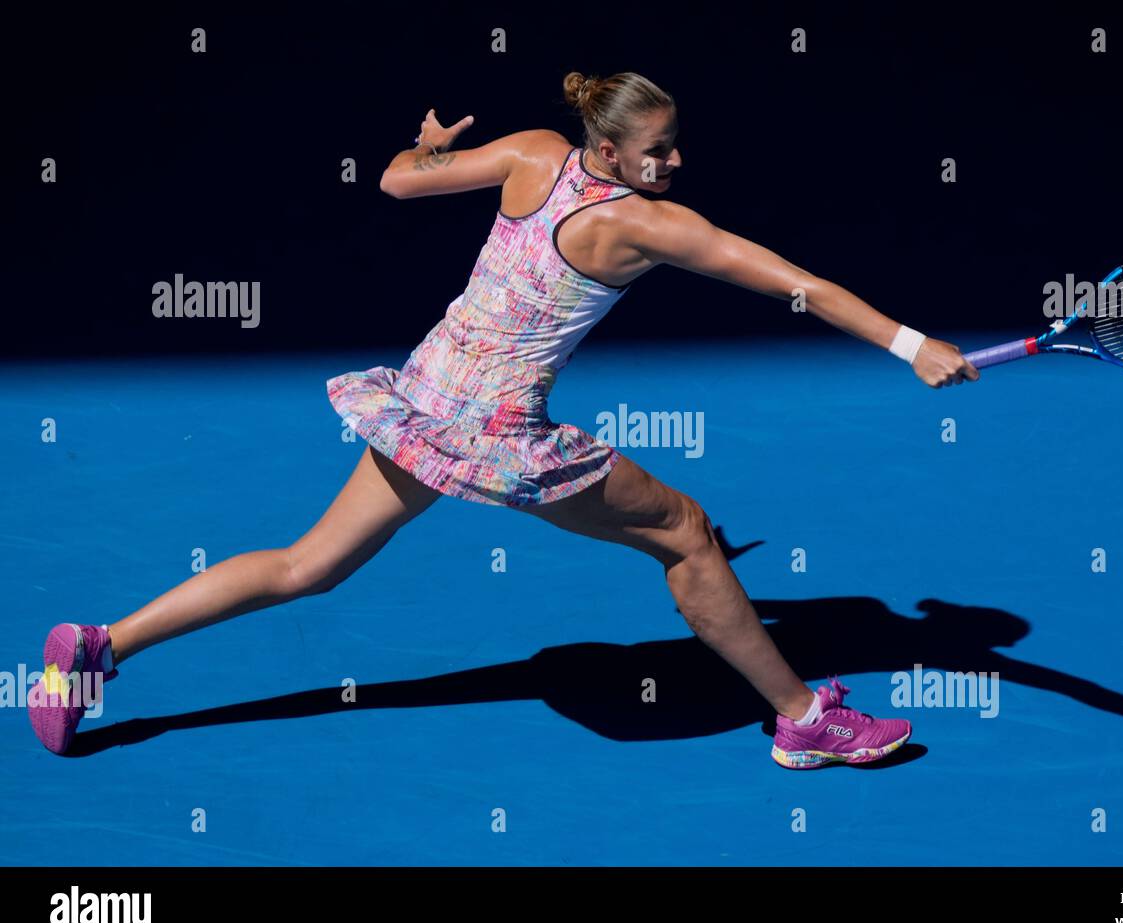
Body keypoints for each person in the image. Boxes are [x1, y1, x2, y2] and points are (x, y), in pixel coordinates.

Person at [28, 71, 979, 768]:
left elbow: (398, 179)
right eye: (658, 150)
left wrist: (431, 142)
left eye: (676, 142)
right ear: (610, 153)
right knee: (687, 536)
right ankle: (802, 716)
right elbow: (799, 285)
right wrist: (912, 345)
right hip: (498, 435)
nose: (675, 160)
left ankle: (101, 646)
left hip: (425, 398)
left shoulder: (529, 153)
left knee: (306, 566)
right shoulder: (652, 223)